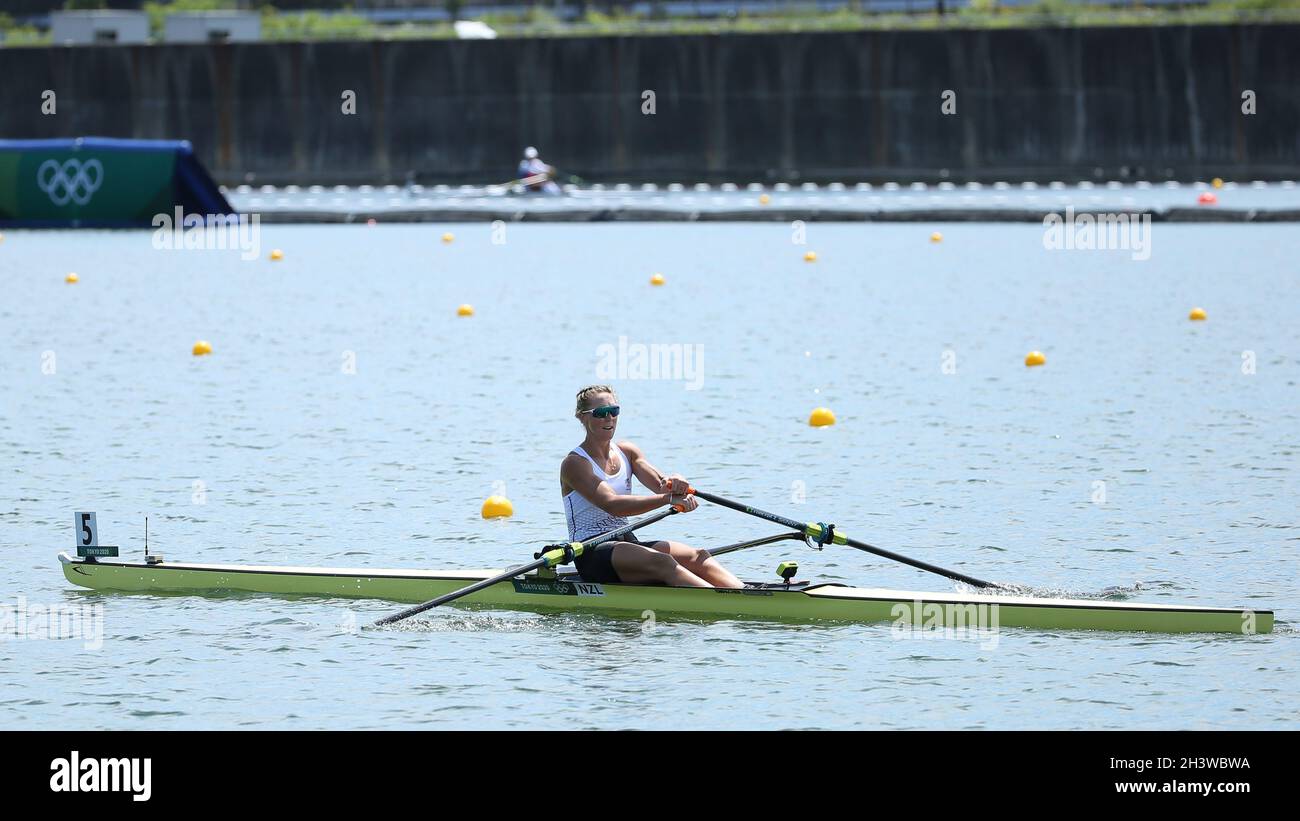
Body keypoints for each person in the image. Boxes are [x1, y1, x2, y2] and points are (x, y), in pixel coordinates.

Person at [560, 385, 744, 588]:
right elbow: (613, 504)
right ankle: (720, 603)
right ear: (582, 417)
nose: (609, 418)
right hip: (592, 551)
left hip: (626, 542)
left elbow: (661, 485)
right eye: (601, 413)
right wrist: (669, 499)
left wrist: (676, 482)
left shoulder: (627, 451)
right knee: (663, 562)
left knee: (696, 555)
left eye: (614, 411)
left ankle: (746, 594)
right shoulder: (575, 464)